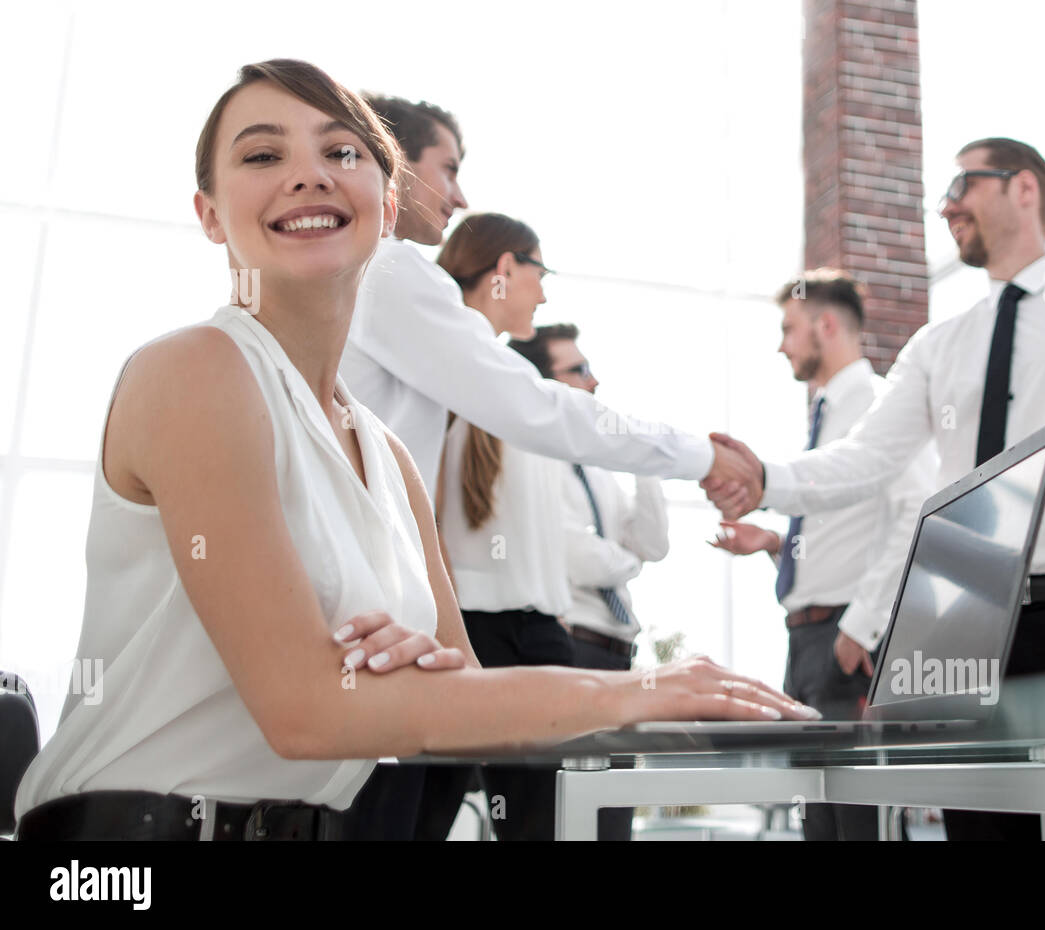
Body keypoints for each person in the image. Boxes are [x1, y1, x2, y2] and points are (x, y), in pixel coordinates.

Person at [12, 59, 815, 842]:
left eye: (341, 152)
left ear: (389, 204)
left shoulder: (389, 454)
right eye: (263, 155)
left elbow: (459, 708)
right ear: (211, 214)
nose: (308, 176)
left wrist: (417, 672)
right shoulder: (196, 370)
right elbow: (306, 710)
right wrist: (637, 690)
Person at [704, 138, 1045, 841]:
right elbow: (866, 460)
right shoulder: (936, 345)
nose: (946, 203)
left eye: (964, 184)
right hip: (958, 623)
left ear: (1025, 189)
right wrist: (768, 478)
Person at [337, 94, 759, 836]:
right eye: (450, 169)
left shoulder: (390, 299)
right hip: (430, 622)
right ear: (398, 165)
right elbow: (539, 415)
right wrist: (701, 453)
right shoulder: (398, 278)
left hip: (445, 623)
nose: (461, 195)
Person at [708, 270, 935, 841]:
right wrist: (776, 545)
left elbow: (917, 516)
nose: (780, 343)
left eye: (789, 328)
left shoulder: (879, 407)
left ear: (826, 325)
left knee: (859, 824)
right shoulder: (828, 413)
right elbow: (849, 534)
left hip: (847, 642)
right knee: (821, 822)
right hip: (809, 643)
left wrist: (861, 626)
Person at [435, 214, 577, 841]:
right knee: (426, 810)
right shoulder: (436, 365)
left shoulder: (515, 383)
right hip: (466, 631)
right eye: (539, 273)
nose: (543, 293)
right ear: (505, 269)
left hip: (540, 636)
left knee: (538, 826)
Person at [510, 323, 671, 841]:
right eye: (578, 370)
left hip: (619, 657)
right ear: (543, 381)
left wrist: (645, 462)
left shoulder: (598, 465)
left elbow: (654, 545)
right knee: (561, 821)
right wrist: (629, 561)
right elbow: (575, 556)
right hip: (570, 651)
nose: (595, 381)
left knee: (612, 820)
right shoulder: (528, 459)